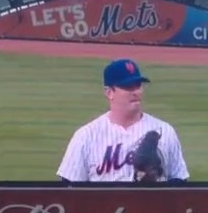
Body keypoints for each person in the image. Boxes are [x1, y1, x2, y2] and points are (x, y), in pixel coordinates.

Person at [57, 58, 190, 183]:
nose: (136, 92)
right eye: (128, 87)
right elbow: (69, 190)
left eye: (138, 86)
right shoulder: (86, 136)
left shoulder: (164, 131)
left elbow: (180, 182)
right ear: (109, 93)